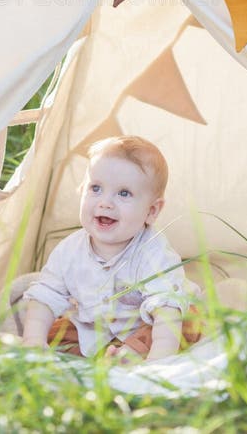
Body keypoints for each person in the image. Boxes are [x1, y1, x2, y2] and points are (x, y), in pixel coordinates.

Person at [21, 134, 200, 360]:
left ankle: (131, 355)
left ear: (152, 211)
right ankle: (105, 355)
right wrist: (33, 340)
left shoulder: (153, 252)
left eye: (123, 193)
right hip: (93, 328)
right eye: (95, 188)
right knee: (54, 329)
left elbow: (165, 307)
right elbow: (47, 294)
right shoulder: (69, 251)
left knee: (184, 321)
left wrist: (159, 361)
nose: (105, 202)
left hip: (146, 325)